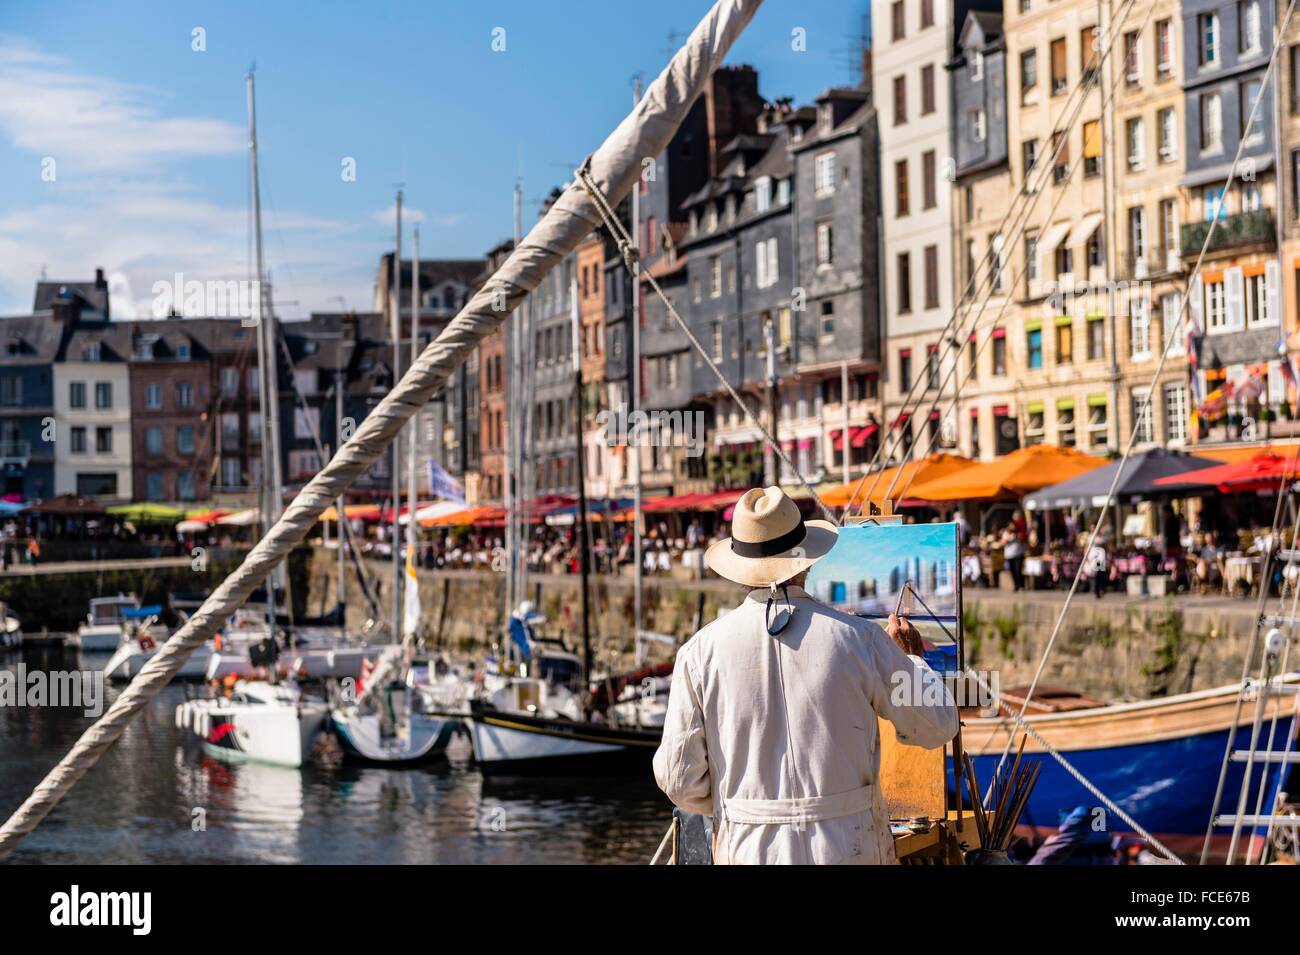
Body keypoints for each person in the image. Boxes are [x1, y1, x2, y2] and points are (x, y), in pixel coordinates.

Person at [653, 485, 959, 865]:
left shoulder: (699, 653)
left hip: (747, 849)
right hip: (849, 849)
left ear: (740, 568)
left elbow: (678, 779)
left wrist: (748, 805)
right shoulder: (861, 640)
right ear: (807, 562)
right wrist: (913, 660)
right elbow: (939, 724)